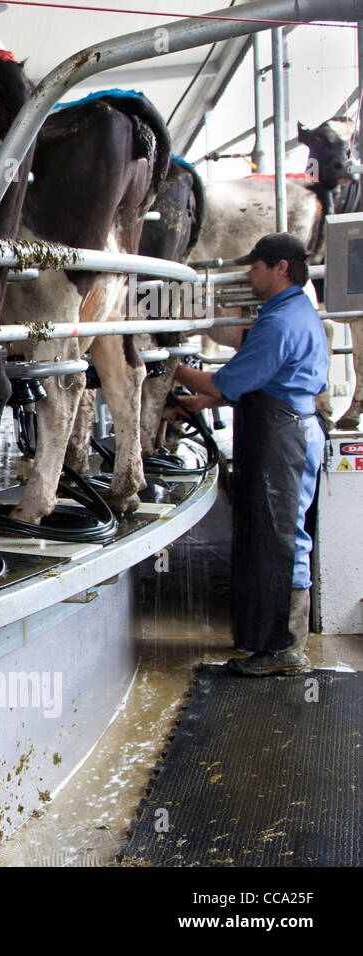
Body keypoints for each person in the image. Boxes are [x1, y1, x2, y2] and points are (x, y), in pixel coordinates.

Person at [172, 232, 330, 677]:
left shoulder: (281, 322)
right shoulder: (290, 311)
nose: (249, 272)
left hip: (285, 442)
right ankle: (267, 642)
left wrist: (170, 367)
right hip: (283, 431)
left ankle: (284, 649)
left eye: (257, 265)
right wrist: (201, 403)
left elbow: (226, 383)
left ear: (281, 268)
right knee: (269, 534)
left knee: (281, 538)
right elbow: (259, 381)